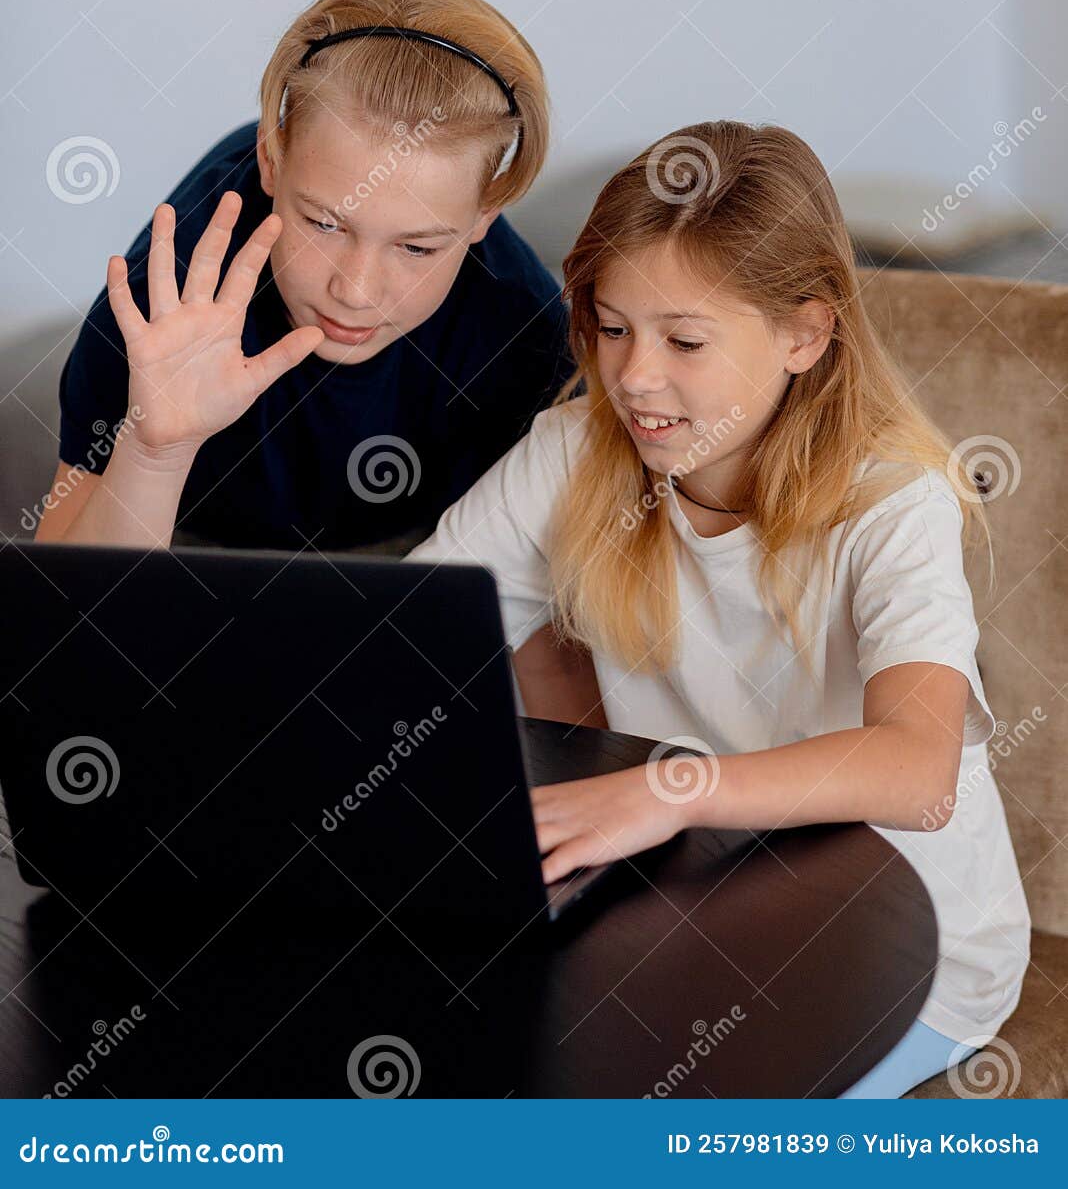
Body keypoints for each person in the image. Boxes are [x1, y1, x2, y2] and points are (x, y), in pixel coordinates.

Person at [405, 120, 1031, 1099]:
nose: (635, 376)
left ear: (805, 333)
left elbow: (918, 772)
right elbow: (401, 633)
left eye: (684, 340)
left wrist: (663, 792)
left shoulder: (894, 503)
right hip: (697, 897)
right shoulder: (572, 453)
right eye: (611, 327)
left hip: (912, 945)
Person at [37, 0, 572, 553]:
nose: (356, 292)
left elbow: (530, 588)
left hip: (421, 541)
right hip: (184, 530)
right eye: (324, 223)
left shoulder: (524, 335)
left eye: (417, 247)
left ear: (482, 219)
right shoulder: (161, 305)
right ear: (271, 162)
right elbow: (67, 617)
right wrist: (154, 450)